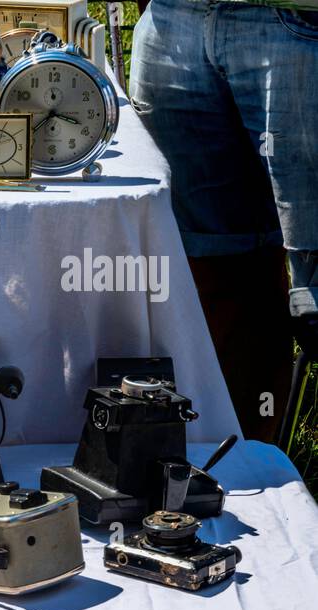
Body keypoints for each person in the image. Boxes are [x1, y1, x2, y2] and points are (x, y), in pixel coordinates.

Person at [130, 0, 318, 443]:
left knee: (314, 289)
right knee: (209, 270)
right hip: (172, 24)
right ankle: (242, 461)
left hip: (297, 25)